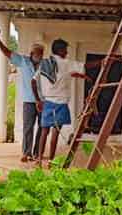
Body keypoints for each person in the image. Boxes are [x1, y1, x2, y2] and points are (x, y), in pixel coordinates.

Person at [32, 39, 106, 167]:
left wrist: (37, 100)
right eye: (65, 50)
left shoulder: (45, 63)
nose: (66, 52)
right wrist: (102, 62)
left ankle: (38, 160)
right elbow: (86, 65)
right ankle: (50, 161)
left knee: (44, 132)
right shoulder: (65, 63)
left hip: (47, 102)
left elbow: (34, 81)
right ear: (60, 50)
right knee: (55, 134)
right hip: (60, 104)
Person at [0, 28, 42, 163]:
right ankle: (26, 153)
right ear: (32, 53)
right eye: (38, 53)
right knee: (28, 128)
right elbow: (7, 52)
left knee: (42, 128)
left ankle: (38, 153)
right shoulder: (23, 61)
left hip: (43, 101)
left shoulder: (44, 64)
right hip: (28, 101)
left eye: (42, 54)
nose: (40, 56)